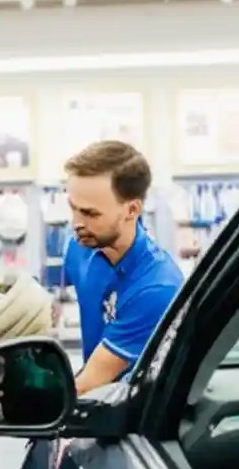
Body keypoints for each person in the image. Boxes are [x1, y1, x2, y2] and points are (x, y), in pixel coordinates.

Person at [63, 140, 184, 394]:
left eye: (90, 213)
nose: (76, 223)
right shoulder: (78, 247)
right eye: (73, 208)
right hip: (94, 395)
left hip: (131, 408)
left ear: (132, 210)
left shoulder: (157, 288)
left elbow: (91, 382)